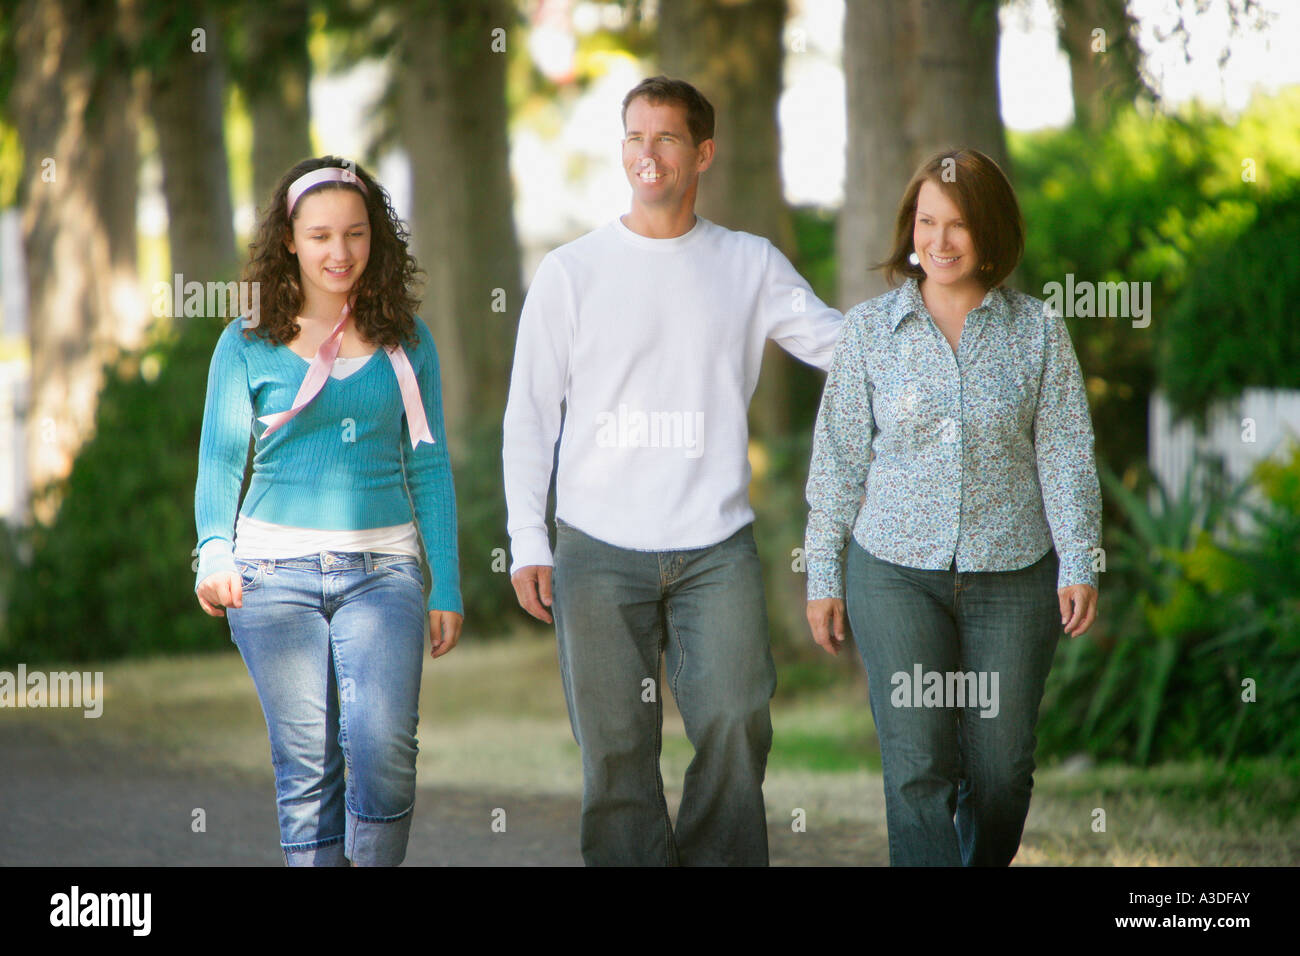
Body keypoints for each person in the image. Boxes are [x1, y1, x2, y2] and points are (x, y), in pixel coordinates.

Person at [503, 76, 843, 867]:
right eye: (633, 136)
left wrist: (934, 310)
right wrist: (527, 537)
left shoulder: (749, 264)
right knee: (616, 752)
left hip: (714, 543)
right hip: (596, 545)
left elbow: (840, 347)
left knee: (736, 716)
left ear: (703, 154)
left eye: (665, 138)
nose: (646, 154)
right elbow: (530, 417)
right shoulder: (570, 272)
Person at [804, 148, 1100, 866]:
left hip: (1012, 575)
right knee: (917, 770)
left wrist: (1080, 558)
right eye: (927, 222)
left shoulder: (1037, 331)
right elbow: (838, 461)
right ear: (910, 228)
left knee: (1000, 774)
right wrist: (822, 574)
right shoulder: (870, 332)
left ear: (990, 232)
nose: (939, 241)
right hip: (895, 575)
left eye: (959, 224)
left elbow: (1065, 453)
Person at [193, 156, 463, 867]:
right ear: (289, 239)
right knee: (308, 763)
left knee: (382, 751)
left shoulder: (408, 340)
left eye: (355, 234)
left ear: (377, 239)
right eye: (319, 236)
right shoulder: (245, 343)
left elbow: (429, 464)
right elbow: (221, 460)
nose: (339, 253)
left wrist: (450, 584)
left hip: (385, 571)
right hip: (270, 575)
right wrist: (213, 549)